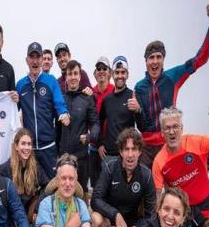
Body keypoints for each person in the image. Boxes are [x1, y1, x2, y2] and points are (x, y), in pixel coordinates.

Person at [135, 4, 209, 167]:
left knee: (174, 183)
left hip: (168, 143)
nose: (155, 61)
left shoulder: (173, 77)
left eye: (158, 57)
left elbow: (200, 59)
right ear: (146, 61)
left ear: (163, 59)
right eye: (151, 58)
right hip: (146, 149)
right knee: (143, 182)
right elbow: (140, 124)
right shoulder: (139, 87)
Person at [16, 42, 70, 180]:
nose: (35, 61)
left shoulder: (50, 81)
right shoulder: (20, 85)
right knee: (30, 186)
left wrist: (64, 113)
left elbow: (59, 103)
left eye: (37, 57)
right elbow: (11, 110)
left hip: (48, 148)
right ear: (27, 60)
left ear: (41, 60)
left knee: (51, 185)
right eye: (31, 57)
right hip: (29, 149)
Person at [91, 128, 155, 227]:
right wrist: (116, 215)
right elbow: (95, 200)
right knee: (96, 219)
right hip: (111, 220)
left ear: (140, 152)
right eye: (126, 149)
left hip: (133, 223)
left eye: (134, 149)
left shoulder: (146, 175)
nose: (130, 155)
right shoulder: (110, 168)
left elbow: (151, 214)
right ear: (121, 152)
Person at [60, 60, 99, 194]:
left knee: (81, 196)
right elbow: (56, 129)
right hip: (63, 158)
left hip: (81, 159)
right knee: (63, 195)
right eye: (70, 74)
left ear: (80, 76)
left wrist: (90, 136)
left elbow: (95, 123)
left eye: (76, 73)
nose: (73, 77)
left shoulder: (87, 99)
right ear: (66, 77)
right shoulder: (60, 100)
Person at [98, 56, 146, 166]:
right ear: (112, 74)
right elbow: (99, 122)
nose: (120, 76)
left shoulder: (133, 96)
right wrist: (100, 144)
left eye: (123, 72)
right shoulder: (107, 99)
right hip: (109, 155)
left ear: (127, 74)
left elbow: (143, 127)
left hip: (128, 154)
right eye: (117, 72)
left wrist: (138, 110)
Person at [0, 128, 49, 221]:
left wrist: (37, 208)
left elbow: (47, 186)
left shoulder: (35, 167)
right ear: (16, 146)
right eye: (23, 143)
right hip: (11, 215)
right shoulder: (5, 169)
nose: (26, 147)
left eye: (29, 144)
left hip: (28, 214)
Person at [89, 56, 114, 188]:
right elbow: (89, 120)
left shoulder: (114, 91)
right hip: (94, 147)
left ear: (110, 73)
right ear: (95, 73)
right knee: (95, 186)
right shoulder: (91, 93)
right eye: (99, 69)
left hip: (111, 148)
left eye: (105, 68)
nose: (101, 71)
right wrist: (98, 143)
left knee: (111, 186)